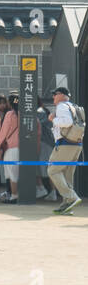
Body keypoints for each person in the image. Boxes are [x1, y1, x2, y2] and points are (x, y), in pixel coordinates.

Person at [48, 86, 82, 214]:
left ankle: (71, 197)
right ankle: (67, 205)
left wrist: (53, 119)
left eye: (55, 94)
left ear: (62, 95)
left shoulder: (62, 106)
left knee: (53, 170)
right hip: (76, 144)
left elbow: (67, 122)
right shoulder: (73, 106)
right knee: (67, 174)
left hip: (65, 143)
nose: (53, 97)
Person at [0, 94, 21, 203]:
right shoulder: (24, 114)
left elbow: (4, 131)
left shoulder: (10, 114)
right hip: (23, 148)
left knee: (11, 173)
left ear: (10, 103)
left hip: (11, 148)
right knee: (18, 173)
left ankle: (14, 195)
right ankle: (16, 194)